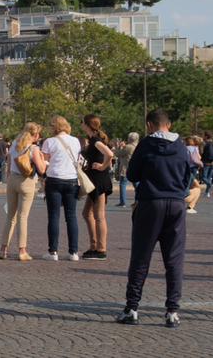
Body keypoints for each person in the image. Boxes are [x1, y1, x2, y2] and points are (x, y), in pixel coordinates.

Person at [118, 109, 192, 327]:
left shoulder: (146, 144)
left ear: (149, 125)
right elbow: (187, 176)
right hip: (176, 203)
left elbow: (132, 174)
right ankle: (172, 311)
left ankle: (132, 308)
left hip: (151, 202)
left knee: (141, 256)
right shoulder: (181, 147)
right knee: (174, 260)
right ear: (168, 124)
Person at [39, 115, 84, 261]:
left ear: (53, 126)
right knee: (71, 217)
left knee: (54, 216)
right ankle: (74, 252)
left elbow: (44, 162)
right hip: (71, 179)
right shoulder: (76, 141)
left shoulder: (49, 142)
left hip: (55, 179)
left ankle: (53, 251)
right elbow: (77, 159)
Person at [0, 123, 45, 261]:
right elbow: (42, 170)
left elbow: (8, 167)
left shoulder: (13, 145)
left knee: (10, 217)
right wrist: (43, 159)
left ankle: (3, 249)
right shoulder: (33, 148)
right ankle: (22, 251)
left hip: (12, 179)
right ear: (36, 135)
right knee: (23, 217)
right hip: (26, 181)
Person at [81, 113, 115, 259]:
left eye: (82, 122)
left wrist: (102, 167)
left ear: (87, 125)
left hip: (99, 180)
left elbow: (109, 154)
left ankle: (101, 248)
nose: (81, 124)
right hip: (94, 180)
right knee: (87, 213)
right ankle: (94, 246)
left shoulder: (96, 140)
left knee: (98, 215)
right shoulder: (94, 140)